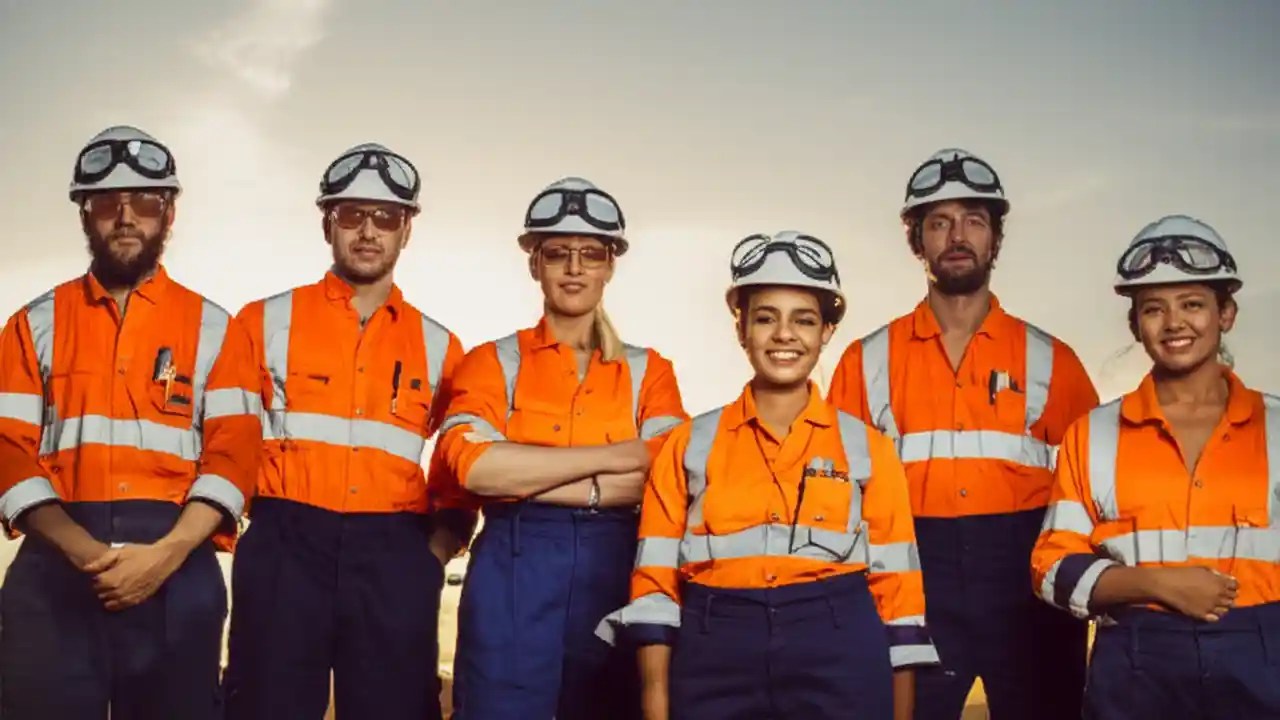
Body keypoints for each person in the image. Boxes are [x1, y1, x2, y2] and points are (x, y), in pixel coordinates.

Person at [598, 231, 939, 720]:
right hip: (714, 645)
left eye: (804, 320)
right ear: (741, 330)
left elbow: (900, 595)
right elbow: (654, 586)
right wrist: (656, 704)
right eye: (765, 318)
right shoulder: (689, 443)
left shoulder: (868, 448)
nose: (784, 335)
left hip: (840, 643)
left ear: (826, 332)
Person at [826, 148, 1100, 719]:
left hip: (1027, 584)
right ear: (916, 240)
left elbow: (1094, 489)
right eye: (940, 222)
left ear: (996, 239)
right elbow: (838, 496)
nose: (958, 235)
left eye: (974, 220)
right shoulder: (866, 360)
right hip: (911, 578)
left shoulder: (1053, 360)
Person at [0, 125, 262, 719]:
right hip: (55, 563)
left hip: (177, 565)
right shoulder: (31, 324)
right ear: (84, 213)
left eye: (144, 202)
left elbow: (233, 455)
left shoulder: (217, 329)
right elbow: (5, 450)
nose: (126, 217)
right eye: (107, 202)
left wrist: (165, 555)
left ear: (168, 214)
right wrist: (86, 553)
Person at [220, 142, 470, 720]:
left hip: (395, 554)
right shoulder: (261, 321)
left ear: (406, 231)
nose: (368, 231)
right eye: (352, 214)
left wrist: (428, 557)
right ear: (327, 222)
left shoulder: (440, 346)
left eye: (386, 217)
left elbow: (458, 469)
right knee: (263, 707)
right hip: (285, 543)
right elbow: (223, 443)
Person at [431, 176, 688, 720]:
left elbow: (671, 473)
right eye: (557, 253)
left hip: (617, 563)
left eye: (590, 254)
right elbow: (477, 471)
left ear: (609, 266)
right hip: (513, 566)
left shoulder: (649, 371)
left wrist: (528, 471)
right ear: (534, 264)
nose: (574, 267)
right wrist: (614, 457)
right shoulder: (491, 362)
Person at [1031, 214, 1280, 719]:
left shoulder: (1277, 428)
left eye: (1192, 304)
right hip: (1136, 662)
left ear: (1226, 313)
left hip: (1264, 658)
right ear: (1134, 324)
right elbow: (1050, 569)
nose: (1174, 324)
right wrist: (1157, 584)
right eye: (1153, 309)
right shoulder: (1093, 433)